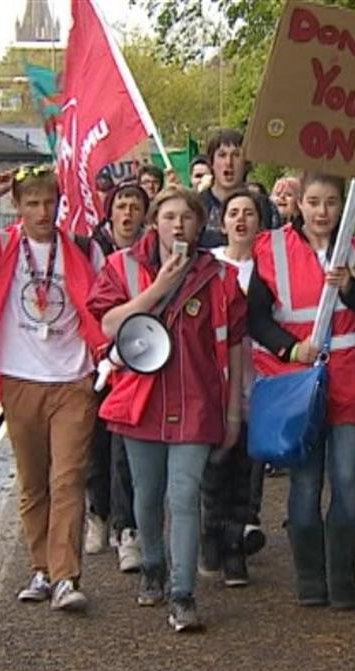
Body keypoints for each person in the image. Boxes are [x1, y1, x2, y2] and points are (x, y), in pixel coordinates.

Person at [0, 164, 106, 611]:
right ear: (17, 206)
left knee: (68, 478)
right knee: (34, 483)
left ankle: (65, 578)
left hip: (73, 379)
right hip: (19, 380)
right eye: (31, 203)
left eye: (48, 202)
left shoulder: (80, 248)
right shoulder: (0, 245)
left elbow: (102, 302)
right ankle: (40, 569)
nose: (41, 211)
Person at [88, 186, 246, 632]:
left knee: (184, 495)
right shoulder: (123, 267)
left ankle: (183, 593)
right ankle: (152, 566)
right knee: (147, 493)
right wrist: (159, 288)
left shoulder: (220, 277)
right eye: (170, 216)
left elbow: (235, 346)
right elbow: (108, 323)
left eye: (188, 217)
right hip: (141, 400)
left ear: (200, 225)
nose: (179, 224)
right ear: (154, 221)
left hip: (197, 402)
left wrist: (234, 412)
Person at [248, 173, 355, 610]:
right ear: (298, 203)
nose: (322, 211)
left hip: (350, 379)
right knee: (306, 483)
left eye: (331, 202)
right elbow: (255, 317)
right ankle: (310, 576)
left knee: (348, 478)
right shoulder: (271, 248)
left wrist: (351, 287)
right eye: (313, 201)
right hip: (298, 381)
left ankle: (342, 575)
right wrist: (289, 347)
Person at [200, 188, 269, 587]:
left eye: (249, 213)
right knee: (216, 463)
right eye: (233, 212)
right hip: (219, 377)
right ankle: (214, 536)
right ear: (221, 221)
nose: (241, 220)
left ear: (260, 222)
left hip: (261, 376)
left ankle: (236, 549)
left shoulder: (270, 267)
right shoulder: (210, 265)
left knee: (247, 465)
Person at [83, 180, 151, 574]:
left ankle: (127, 528)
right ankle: (99, 513)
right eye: (121, 205)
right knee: (97, 446)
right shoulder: (91, 249)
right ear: (110, 212)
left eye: (135, 206)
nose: (127, 213)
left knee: (125, 450)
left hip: (138, 362)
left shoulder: (151, 255)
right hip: (97, 360)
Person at [198, 129, 282, 248]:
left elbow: (280, 257)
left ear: (246, 162)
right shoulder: (197, 207)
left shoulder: (266, 207)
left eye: (236, 155)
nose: (229, 162)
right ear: (211, 162)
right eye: (222, 155)